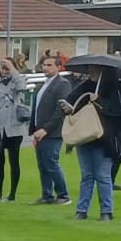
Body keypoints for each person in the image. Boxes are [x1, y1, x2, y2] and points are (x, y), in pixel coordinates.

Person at [69, 66, 121, 221]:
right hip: (85, 137)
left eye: (94, 70)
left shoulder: (119, 88)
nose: (90, 72)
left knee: (103, 176)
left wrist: (99, 102)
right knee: (86, 176)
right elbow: (72, 101)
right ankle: (81, 210)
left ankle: (106, 211)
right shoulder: (85, 86)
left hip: (106, 139)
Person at [27, 52, 74, 205]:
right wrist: (34, 129)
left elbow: (60, 110)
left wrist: (46, 129)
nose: (45, 68)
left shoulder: (62, 84)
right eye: (44, 65)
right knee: (43, 165)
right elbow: (37, 108)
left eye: (49, 65)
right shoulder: (43, 84)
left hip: (52, 133)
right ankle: (46, 195)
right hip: (39, 131)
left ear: (58, 67)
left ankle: (63, 195)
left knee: (51, 163)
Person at [0, 58, 30, 202]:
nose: (4, 71)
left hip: (14, 127)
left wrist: (13, 69)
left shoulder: (17, 81)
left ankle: (12, 194)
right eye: (2, 68)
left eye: (7, 68)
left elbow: (22, 87)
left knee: (14, 161)